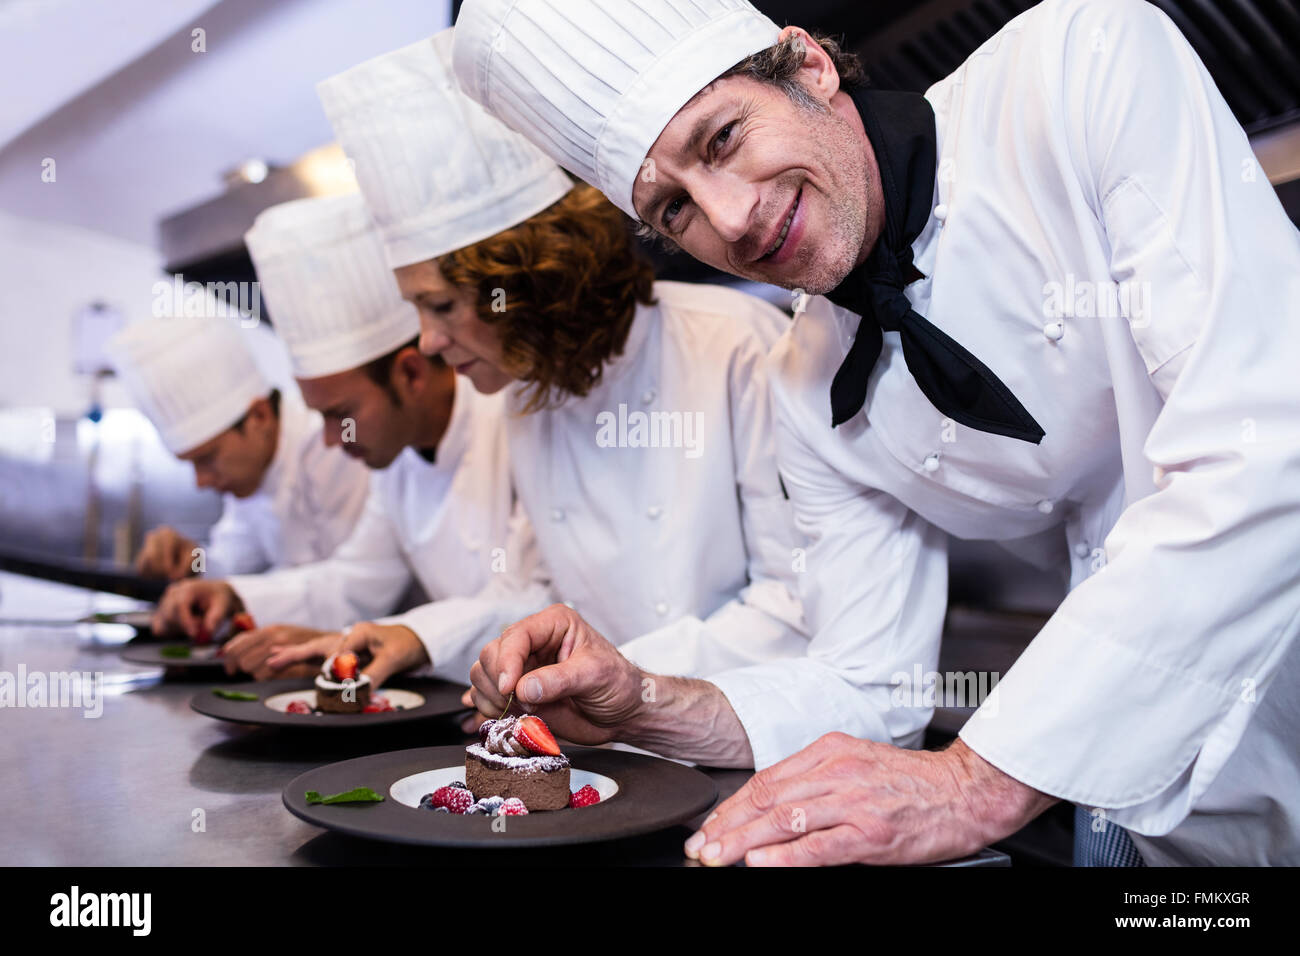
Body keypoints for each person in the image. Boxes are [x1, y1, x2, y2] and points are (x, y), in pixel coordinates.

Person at [452, 0, 1300, 866]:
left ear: (808, 64)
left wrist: (975, 780)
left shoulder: (1079, 63)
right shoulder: (804, 382)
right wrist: (642, 701)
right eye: (674, 211)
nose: (731, 219)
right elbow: (869, 682)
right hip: (1135, 779)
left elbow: (1269, 441)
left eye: (722, 138)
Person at [267, 29, 811, 700]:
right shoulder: (527, 401)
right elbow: (537, 592)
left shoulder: (736, 345)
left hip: (739, 746)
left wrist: (621, 683)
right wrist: (421, 636)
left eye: (438, 305)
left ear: (525, 280)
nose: (429, 344)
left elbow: (794, 609)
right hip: (608, 754)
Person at [149, 191, 544, 682]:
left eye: (341, 414)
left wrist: (412, 637)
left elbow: (535, 600)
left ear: (411, 374)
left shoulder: (521, 418)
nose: (333, 440)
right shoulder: (395, 461)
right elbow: (357, 580)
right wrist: (237, 595)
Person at [108, 314, 368, 581]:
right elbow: (228, 564)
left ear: (259, 417)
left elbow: (348, 586)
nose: (201, 481)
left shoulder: (335, 445)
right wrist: (191, 558)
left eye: (207, 458)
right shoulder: (249, 479)